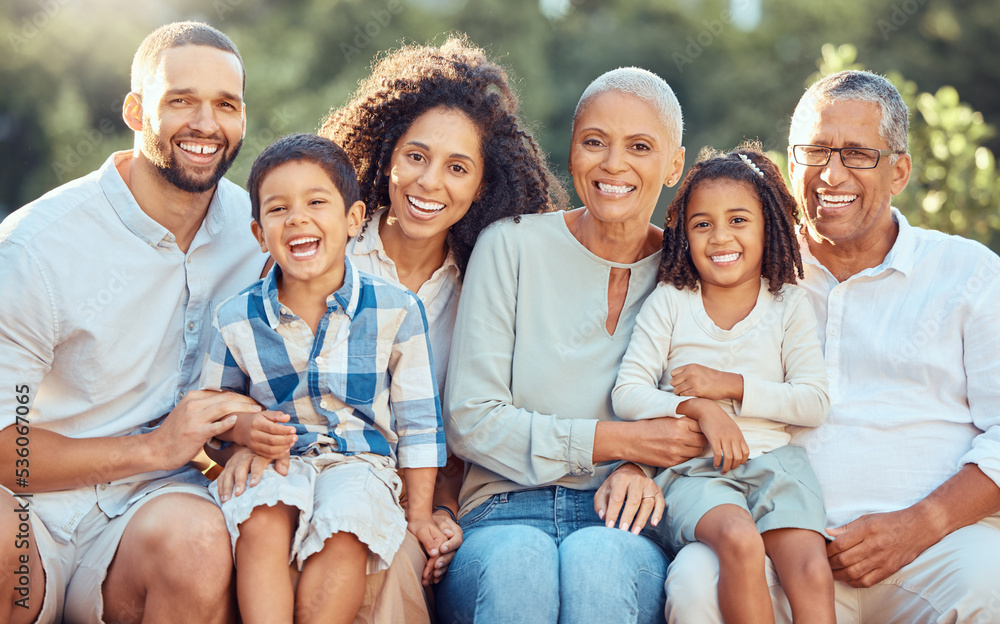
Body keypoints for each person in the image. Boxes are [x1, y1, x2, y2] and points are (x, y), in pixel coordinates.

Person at [665, 70, 1000, 623]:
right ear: (791, 162)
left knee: (988, 583)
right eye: (816, 151)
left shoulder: (969, 274)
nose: (831, 173)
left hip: (934, 552)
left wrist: (920, 526)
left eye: (857, 154)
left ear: (900, 171)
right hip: (773, 543)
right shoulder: (743, 269)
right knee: (698, 582)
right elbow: (666, 378)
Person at [0, 21, 263, 623]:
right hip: (27, 506)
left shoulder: (260, 232)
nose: (205, 123)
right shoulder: (34, 250)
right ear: (136, 112)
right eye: (180, 101)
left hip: (154, 507)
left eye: (226, 104)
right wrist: (155, 447)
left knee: (198, 543)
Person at [435, 67, 708, 624]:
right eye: (595, 142)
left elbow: (700, 424)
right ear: (572, 150)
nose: (613, 164)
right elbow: (470, 420)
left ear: (674, 165)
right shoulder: (509, 246)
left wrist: (641, 466)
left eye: (640, 147)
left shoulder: (693, 270)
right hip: (500, 515)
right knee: (522, 561)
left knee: (598, 559)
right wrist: (619, 440)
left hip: (628, 522)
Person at [318, 36, 565, 623]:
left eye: (458, 168)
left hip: (423, 503)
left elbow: (466, 430)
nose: (430, 183)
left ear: (483, 185)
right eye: (416, 156)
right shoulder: (328, 252)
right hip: (318, 477)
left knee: (402, 557)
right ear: (386, 154)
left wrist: (445, 513)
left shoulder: (489, 284)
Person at [199, 132, 446, 624]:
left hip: (362, 464)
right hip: (276, 461)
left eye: (316, 201)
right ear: (258, 233)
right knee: (262, 521)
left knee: (346, 530)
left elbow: (419, 427)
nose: (297, 218)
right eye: (278, 209)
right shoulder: (235, 318)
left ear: (354, 220)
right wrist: (242, 434)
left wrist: (419, 515)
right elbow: (213, 416)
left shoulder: (397, 310)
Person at [613, 145, 834, 624]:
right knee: (738, 538)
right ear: (683, 235)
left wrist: (729, 386)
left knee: (812, 569)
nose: (720, 237)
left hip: (777, 466)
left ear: (768, 227)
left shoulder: (787, 305)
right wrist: (698, 408)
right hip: (695, 474)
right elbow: (627, 392)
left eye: (738, 220)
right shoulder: (671, 302)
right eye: (702, 224)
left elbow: (813, 402)